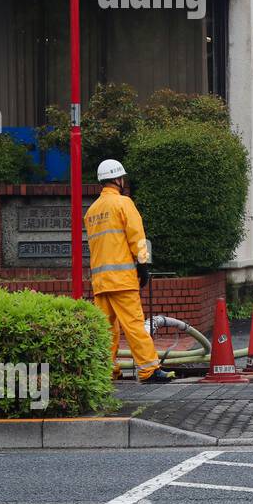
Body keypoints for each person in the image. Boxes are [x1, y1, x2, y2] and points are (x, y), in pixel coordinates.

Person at [84, 159, 173, 384]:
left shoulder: (92, 211)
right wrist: (143, 267)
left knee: (105, 330)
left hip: (101, 282)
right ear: (118, 179)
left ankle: (105, 372)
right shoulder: (124, 203)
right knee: (134, 325)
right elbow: (137, 237)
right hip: (122, 280)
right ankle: (149, 370)